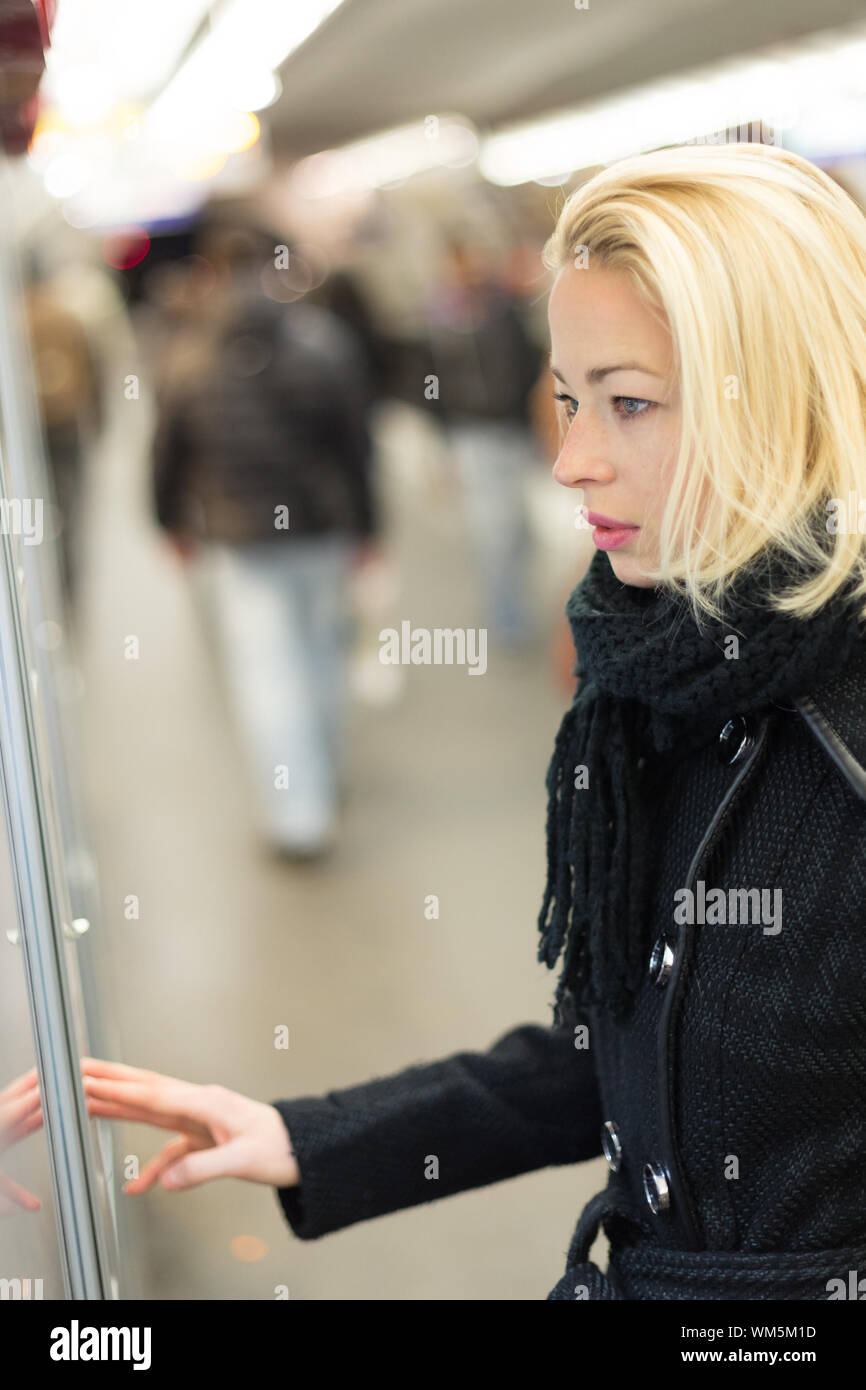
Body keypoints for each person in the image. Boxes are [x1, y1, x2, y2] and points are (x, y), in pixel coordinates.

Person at [78, 142, 866, 1299]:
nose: (571, 459)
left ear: (784, 402)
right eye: (565, 400)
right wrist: (313, 1135)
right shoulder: (654, 688)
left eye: (628, 404)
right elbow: (623, 1052)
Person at [151, 225, 380, 857]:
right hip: (321, 528)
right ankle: (324, 773)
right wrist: (369, 526)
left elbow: (169, 446)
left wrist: (167, 519)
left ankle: (297, 816)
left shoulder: (189, 351)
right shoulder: (323, 343)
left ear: (211, 272)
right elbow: (356, 446)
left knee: (267, 672)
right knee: (323, 653)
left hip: (240, 535)